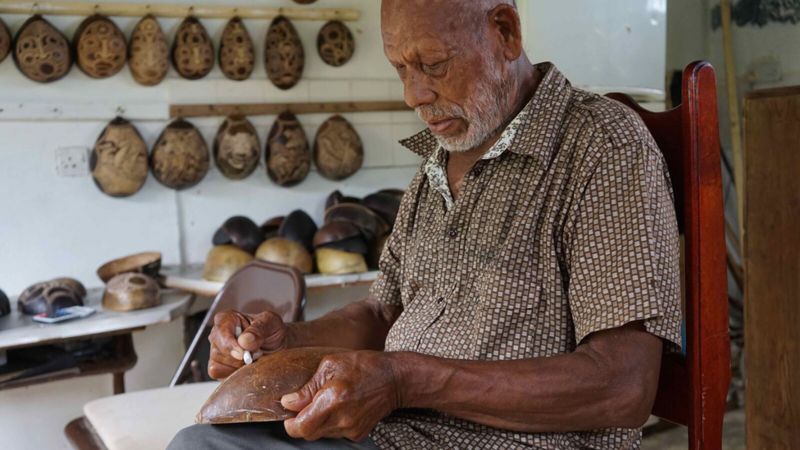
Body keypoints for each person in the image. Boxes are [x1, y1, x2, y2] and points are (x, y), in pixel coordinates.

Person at [169, 0, 680, 448]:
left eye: (433, 64)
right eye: (400, 69)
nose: (414, 94)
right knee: (207, 439)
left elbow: (622, 388)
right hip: (396, 433)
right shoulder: (442, 159)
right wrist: (288, 341)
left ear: (505, 31)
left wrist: (405, 381)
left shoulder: (600, 147)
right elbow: (381, 313)